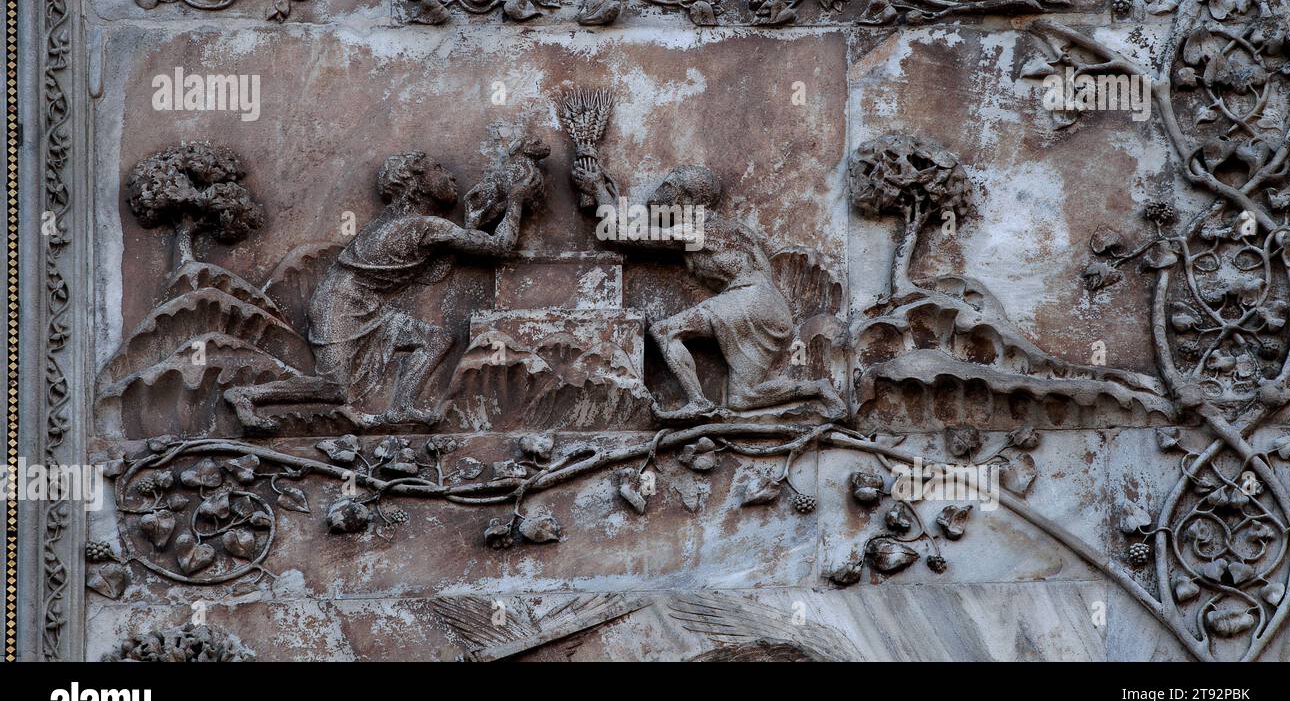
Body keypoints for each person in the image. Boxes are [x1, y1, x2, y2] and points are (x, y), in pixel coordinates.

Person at [225, 151, 538, 431]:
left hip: (361, 302)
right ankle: (247, 395)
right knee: (334, 388)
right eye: (438, 168)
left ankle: (401, 408)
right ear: (417, 184)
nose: (451, 175)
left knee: (435, 339)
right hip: (341, 305)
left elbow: (434, 269)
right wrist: (516, 199)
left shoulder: (402, 222)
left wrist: (470, 224)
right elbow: (501, 246)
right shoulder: (426, 227)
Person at [572, 161, 844, 421]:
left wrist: (597, 188)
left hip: (747, 298)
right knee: (743, 398)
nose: (658, 193)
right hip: (772, 308)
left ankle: (698, 403)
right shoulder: (731, 229)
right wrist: (606, 192)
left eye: (667, 187)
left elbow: (619, 232)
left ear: (688, 199)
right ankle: (819, 390)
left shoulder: (695, 230)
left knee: (665, 332)